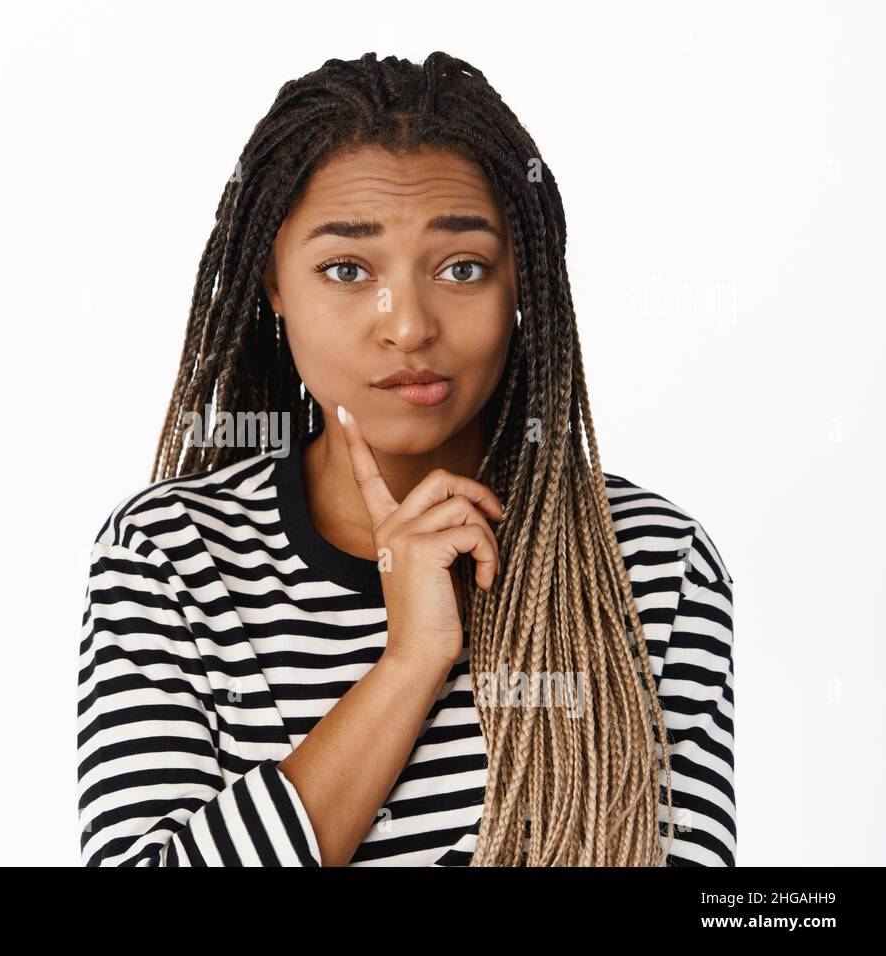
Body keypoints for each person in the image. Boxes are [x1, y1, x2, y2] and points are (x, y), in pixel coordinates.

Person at [76, 52, 735, 866]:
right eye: (346, 269)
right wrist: (412, 661)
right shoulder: (169, 557)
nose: (408, 325)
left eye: (462, 267)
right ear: (273, 284)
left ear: (520, 283)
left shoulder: (652, 567)